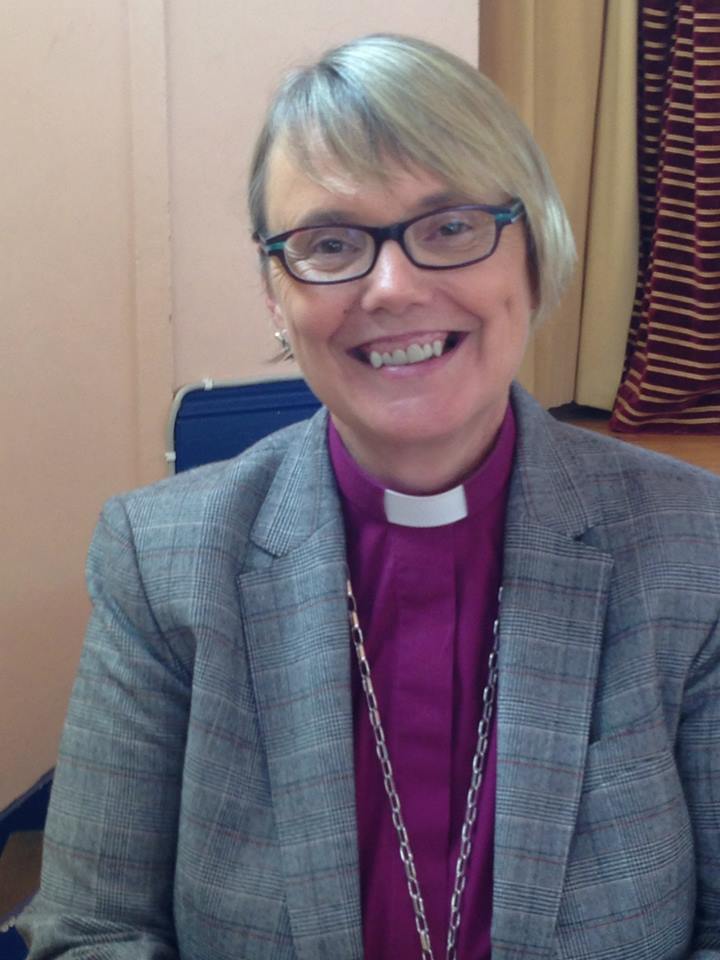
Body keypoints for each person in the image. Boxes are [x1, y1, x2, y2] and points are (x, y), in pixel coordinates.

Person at [20, 33, 720, 960]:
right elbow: (93, 931)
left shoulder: (695, 546)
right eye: (329, 244)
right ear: (276, 295)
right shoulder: (161, 561)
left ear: (534, 252)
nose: (392, 287)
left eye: (451, 226)